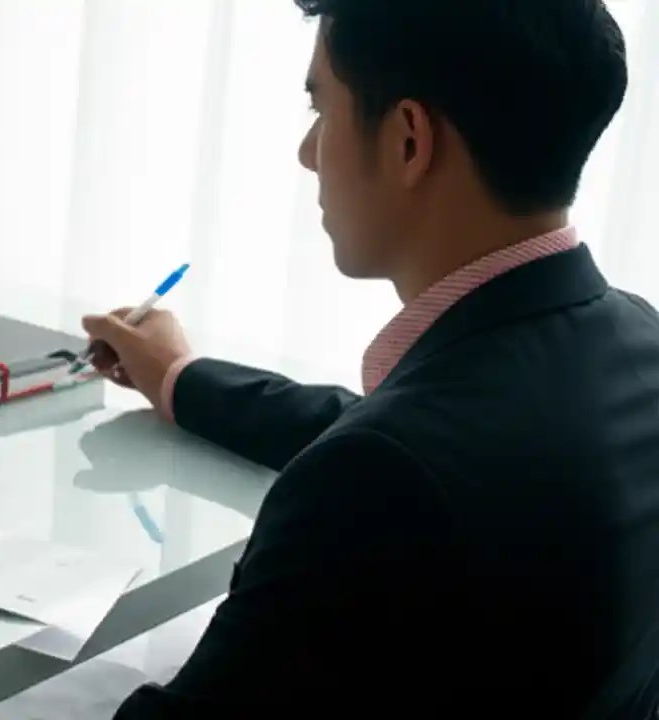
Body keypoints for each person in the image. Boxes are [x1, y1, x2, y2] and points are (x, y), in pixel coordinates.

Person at [83, 1, 659, 717]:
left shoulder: (375, 481)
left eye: (321, 108)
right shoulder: (636, 346)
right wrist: (181, 378)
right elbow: (397, 436)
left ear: (409, 141)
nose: (306, 151)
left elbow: (381, 465)